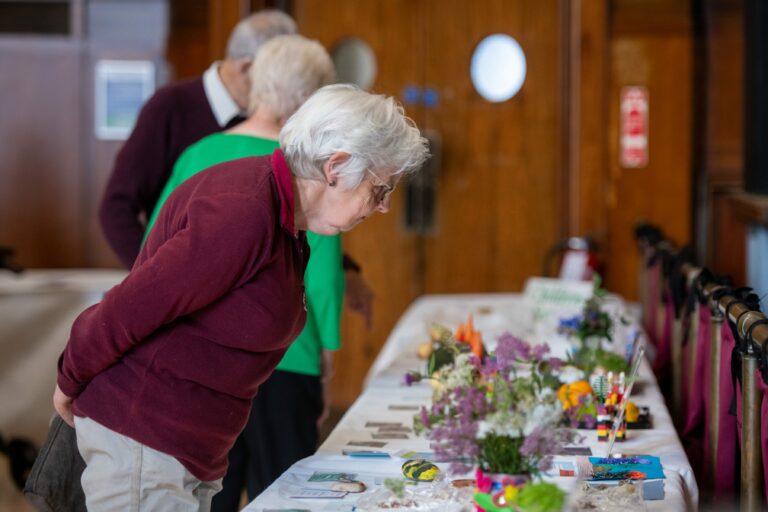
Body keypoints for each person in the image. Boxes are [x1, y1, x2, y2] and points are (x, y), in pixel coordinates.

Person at [54, 83, 429, 510]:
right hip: (146, 438)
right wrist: (69, 378)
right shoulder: (246, 211)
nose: (382, 207)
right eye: (381, 189)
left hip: (187, 448)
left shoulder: (286, 220)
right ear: (336, 167)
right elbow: (132, 304)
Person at [144, 34, 340, 510]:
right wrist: (329, 352)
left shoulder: (197, 154)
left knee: (209, 492)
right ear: (311, 100)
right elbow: (322, 274)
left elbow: (155, 251)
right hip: (287, 359)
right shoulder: (309, 170)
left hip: (200, 361)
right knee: (287, 494)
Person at [99, 8, 374, 328]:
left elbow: (284, 213)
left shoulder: (273, 121)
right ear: (248, 68)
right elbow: (116, 209)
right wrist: (157, 287)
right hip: (189, 303)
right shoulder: (170, 108)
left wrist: (346, 269)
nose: (280, 88)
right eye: (278, 72)